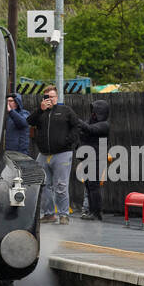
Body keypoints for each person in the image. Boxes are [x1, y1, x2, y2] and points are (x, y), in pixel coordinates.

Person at [27, 85, 82, 224]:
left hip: (62, 153)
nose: (49, 99)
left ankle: (64, 215)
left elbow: (77, 126)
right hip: (44, 154)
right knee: (44, 185)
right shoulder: (41, 112)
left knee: (61, 185)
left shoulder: (66, 111)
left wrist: (68, 142)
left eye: (52, 97)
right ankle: (49, 214)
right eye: (46, 97)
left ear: (57, 97)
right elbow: (29, 121)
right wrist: (40, 109)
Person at [77, 99, 110, 220]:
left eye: (95, 111)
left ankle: (96, 212)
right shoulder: (91, 121)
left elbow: (90, 130)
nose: (93, 114)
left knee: (94, 185)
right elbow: (83, 130)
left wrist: (77, 121)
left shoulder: (104, 125)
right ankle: (91, 211)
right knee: (88, 185)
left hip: (97, 158)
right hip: (87, 158)